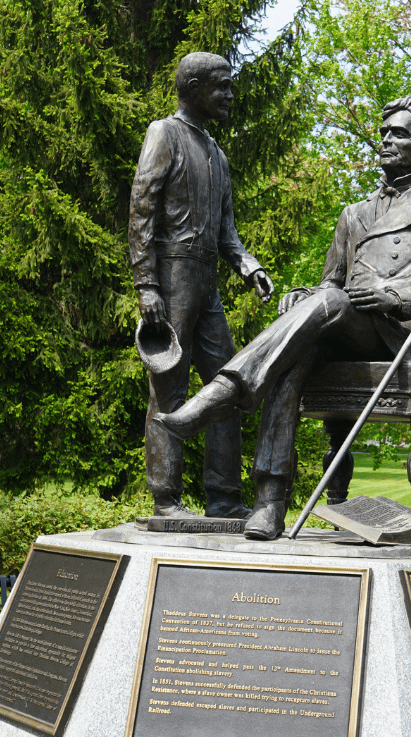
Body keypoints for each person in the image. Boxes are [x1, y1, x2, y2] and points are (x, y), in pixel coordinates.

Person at [152, 97, 411, 539]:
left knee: (332, 306)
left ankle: (221, 393)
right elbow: (331, 283)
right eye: (383, 133)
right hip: (348, 328)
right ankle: (269, 502)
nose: (385, 141)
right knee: (295, 355)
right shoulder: (353, 215)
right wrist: (306, 297)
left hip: (402, 337)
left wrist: (390, 293)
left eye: (398, 134)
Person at [129, 52, 274, 519]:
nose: (230, 96)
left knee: (226, 389)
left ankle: (224, 499)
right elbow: (141, 211)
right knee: (168, 390)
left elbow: (227, 233)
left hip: (207, 281)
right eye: (222, 87)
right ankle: (166, 500)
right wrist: (147, 284)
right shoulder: (164, 134)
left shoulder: (217, 153)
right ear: (192, 87)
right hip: (171, 280)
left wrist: (249, 266)